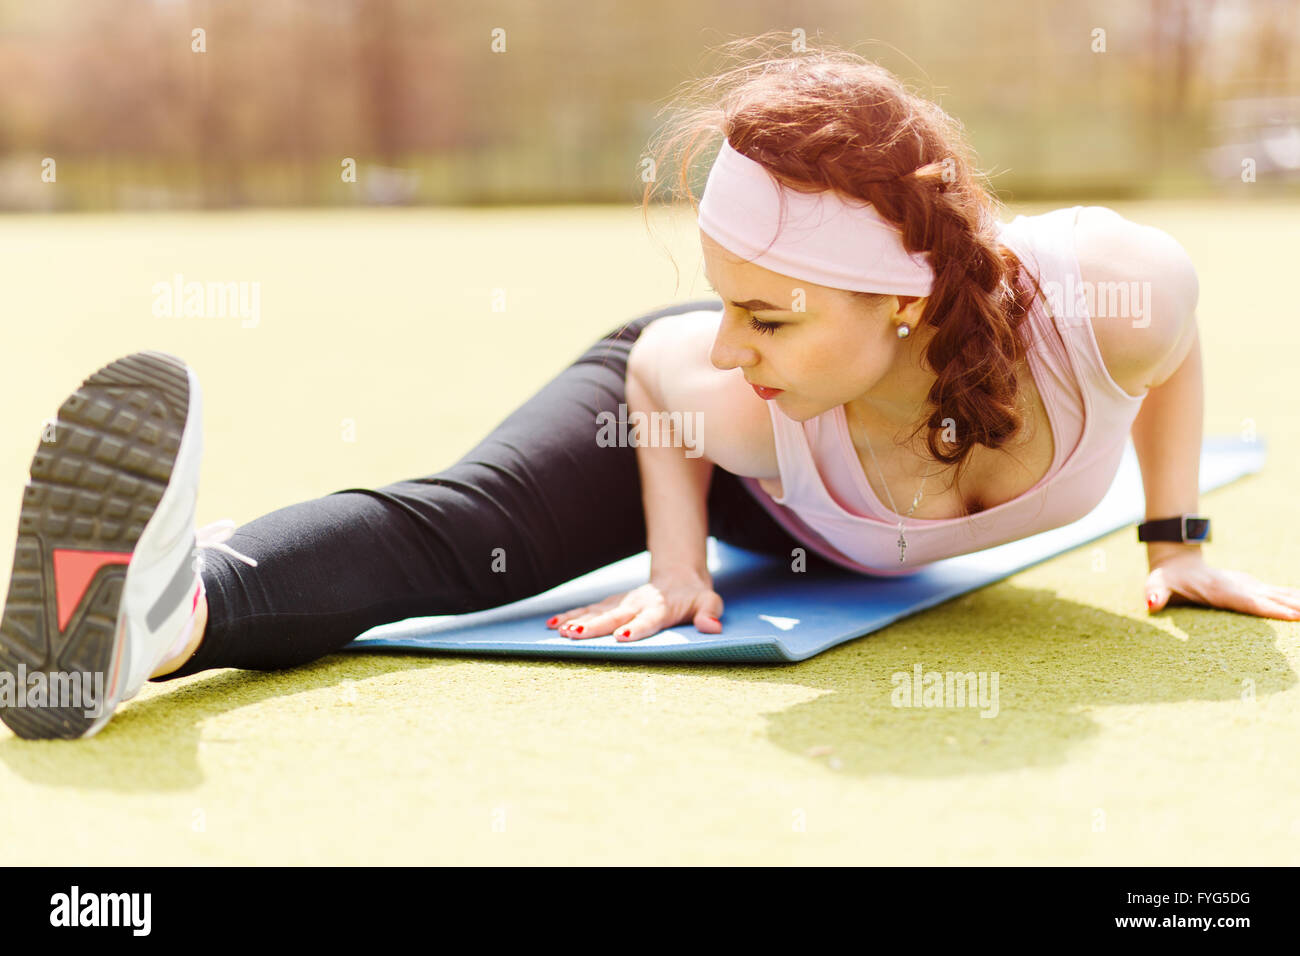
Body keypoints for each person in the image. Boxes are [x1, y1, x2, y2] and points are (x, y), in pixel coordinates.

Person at [4, 37, 1297, 740]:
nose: (734, 341)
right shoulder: (718, 377)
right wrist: (678, 566)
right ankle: (152, 619)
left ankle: (197, 559)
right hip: (676, 432)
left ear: (902, 297)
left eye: (769, 313)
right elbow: (673, 367)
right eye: (726, 299)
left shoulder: (1109, 299)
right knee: (473, 537)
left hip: (815, 447)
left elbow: (1172, 350)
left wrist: (1174, 537)